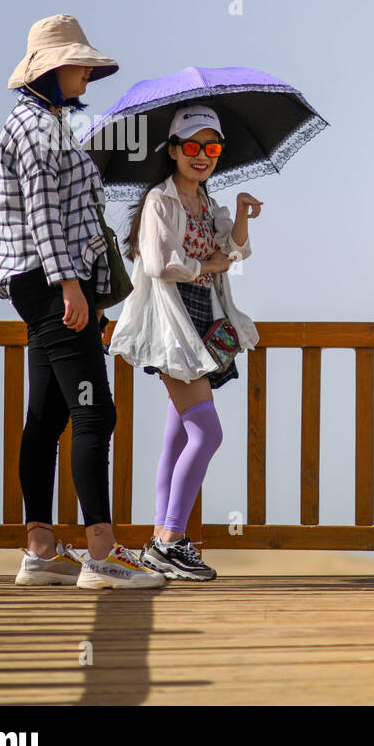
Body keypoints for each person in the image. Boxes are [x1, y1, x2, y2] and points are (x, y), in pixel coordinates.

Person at [0, 13, 164, 589]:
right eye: (80, 62)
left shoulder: (46, 122)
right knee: (96, 412)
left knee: (48, 415)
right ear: (53, 68)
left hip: (45, 280)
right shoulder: (39, 130)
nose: (89, 70)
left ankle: (40, 551)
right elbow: (43, 212)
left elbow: (66, 211)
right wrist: (70, 286)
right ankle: (103, 554)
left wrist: (85, 290)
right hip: (50, 278)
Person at [107, 105, 262, 581]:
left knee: (178, 435)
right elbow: (157, 263)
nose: (202, 156)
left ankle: (161, 539)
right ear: (173, 150)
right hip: (171, 326)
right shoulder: (160, 201)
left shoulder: (206, 203)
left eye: (211, 148)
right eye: (192, 146)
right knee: (208, 433)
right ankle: (170, 541)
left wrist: (240, 215)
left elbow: (232, 252)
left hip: (203, 322)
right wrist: (207, 266)